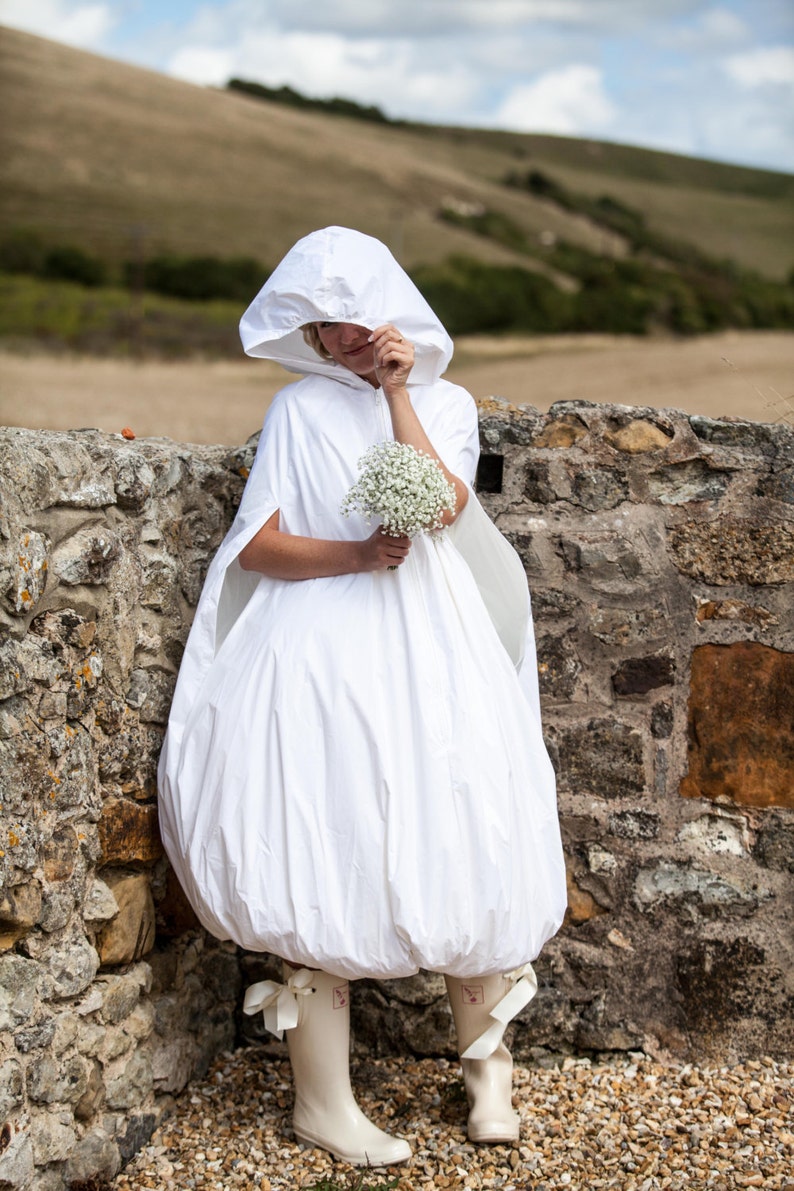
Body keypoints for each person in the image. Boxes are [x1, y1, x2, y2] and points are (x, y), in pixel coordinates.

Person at [157, 226, 566, 1168]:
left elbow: (445, 507)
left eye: (353, 321)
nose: (340, 339)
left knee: (469, 829)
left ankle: (489, 1076)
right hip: (319, 650)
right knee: (321, 833)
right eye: (323, 327)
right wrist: (354, 553)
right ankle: (324, 1103)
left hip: (438, 648)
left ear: (389, 312)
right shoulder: (296, 410)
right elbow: (259, 544)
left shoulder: (448, 402)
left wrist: (396, 393)